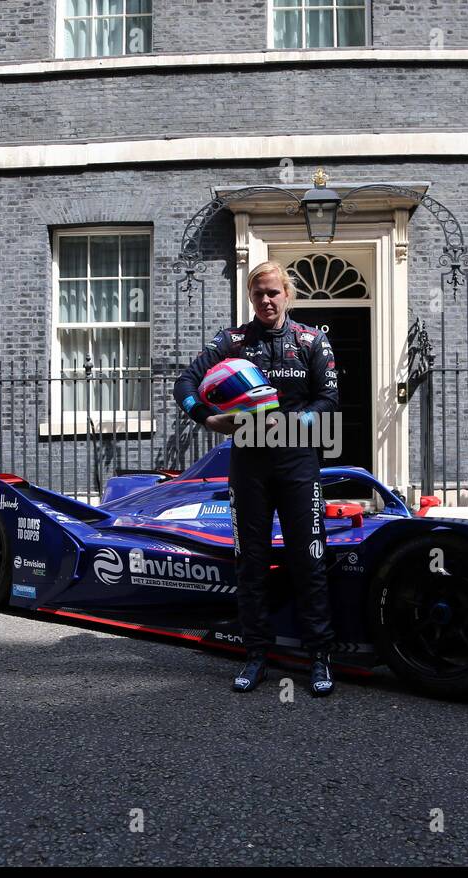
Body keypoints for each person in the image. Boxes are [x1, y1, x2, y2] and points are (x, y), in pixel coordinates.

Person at [173, 260, 340, 696]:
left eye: (273, 292)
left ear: (287, 294)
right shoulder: (232, 340)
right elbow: (185, 382)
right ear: (250, 297)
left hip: (298, 461)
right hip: (248, 463)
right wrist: (207, 418)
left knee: (309, 557)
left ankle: (320, 656)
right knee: (251, 561)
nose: (266, 300)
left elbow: (330, 397)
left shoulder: (312, 340)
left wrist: (298, 423)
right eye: (258, 293)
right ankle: (255, 655)